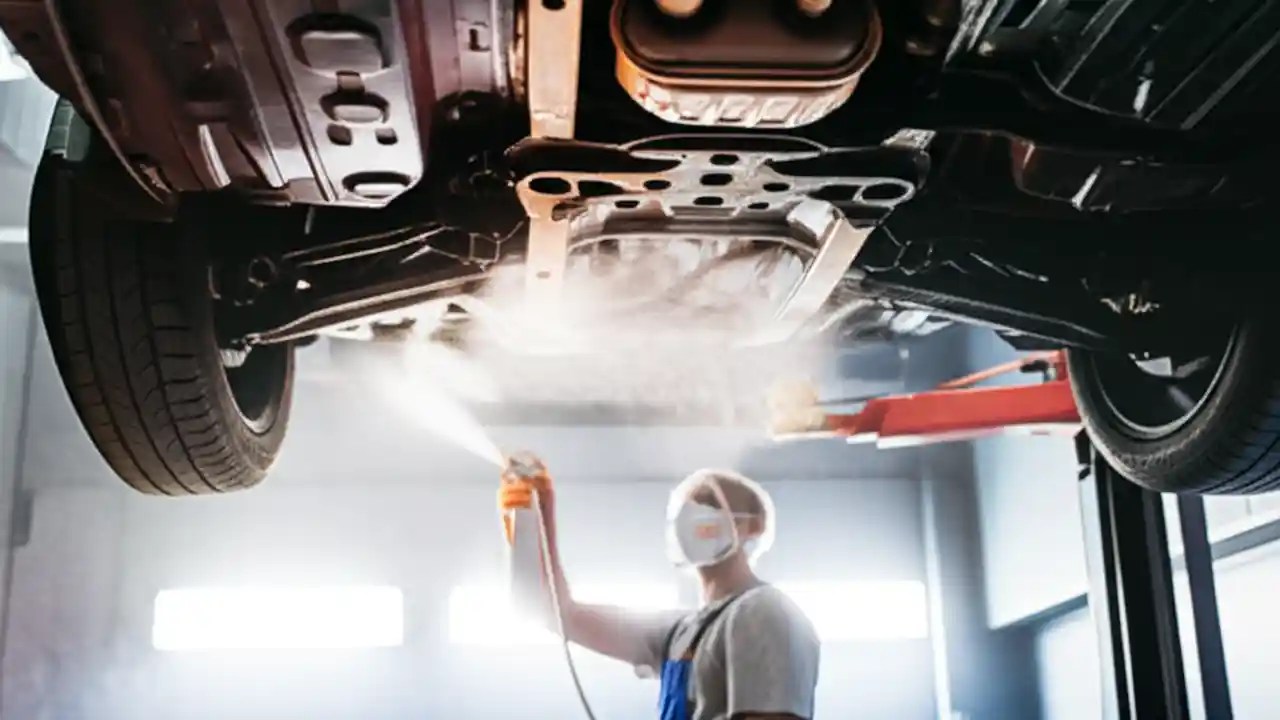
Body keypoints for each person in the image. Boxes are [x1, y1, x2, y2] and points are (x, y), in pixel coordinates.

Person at [502, 466, 820, 720]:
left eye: (709, 501)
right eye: (684, 508)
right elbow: (552, 611)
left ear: (754, 525)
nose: (691, 514)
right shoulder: (682, 632)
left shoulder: (763, 612)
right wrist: (532, 516)